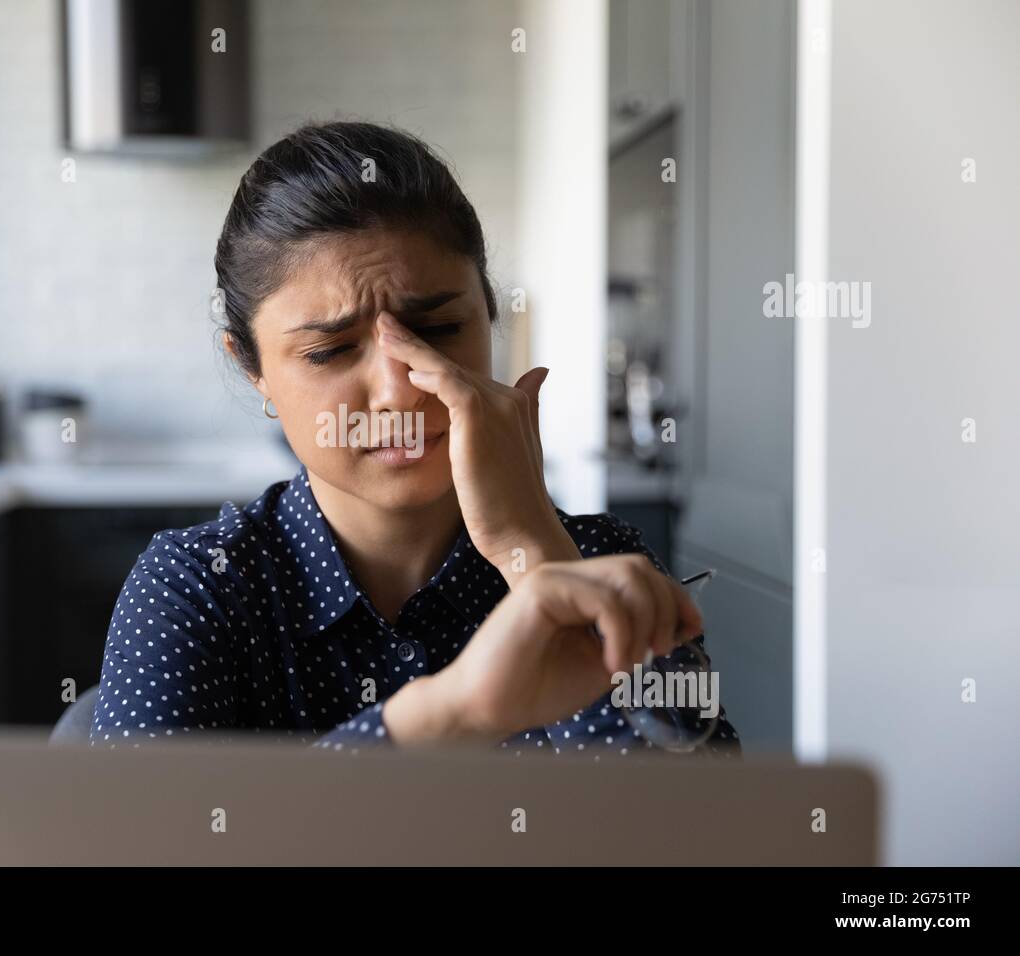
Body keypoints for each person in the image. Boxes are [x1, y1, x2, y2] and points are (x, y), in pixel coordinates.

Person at [90, 120, 740, 758]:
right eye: (330, 350)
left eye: (436, 330)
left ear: (487, 318)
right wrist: (454, 713)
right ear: (252, 367)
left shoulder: (599, 563)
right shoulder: (200, 587)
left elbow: (706, 837)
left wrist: (531, 551)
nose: (401, 392)